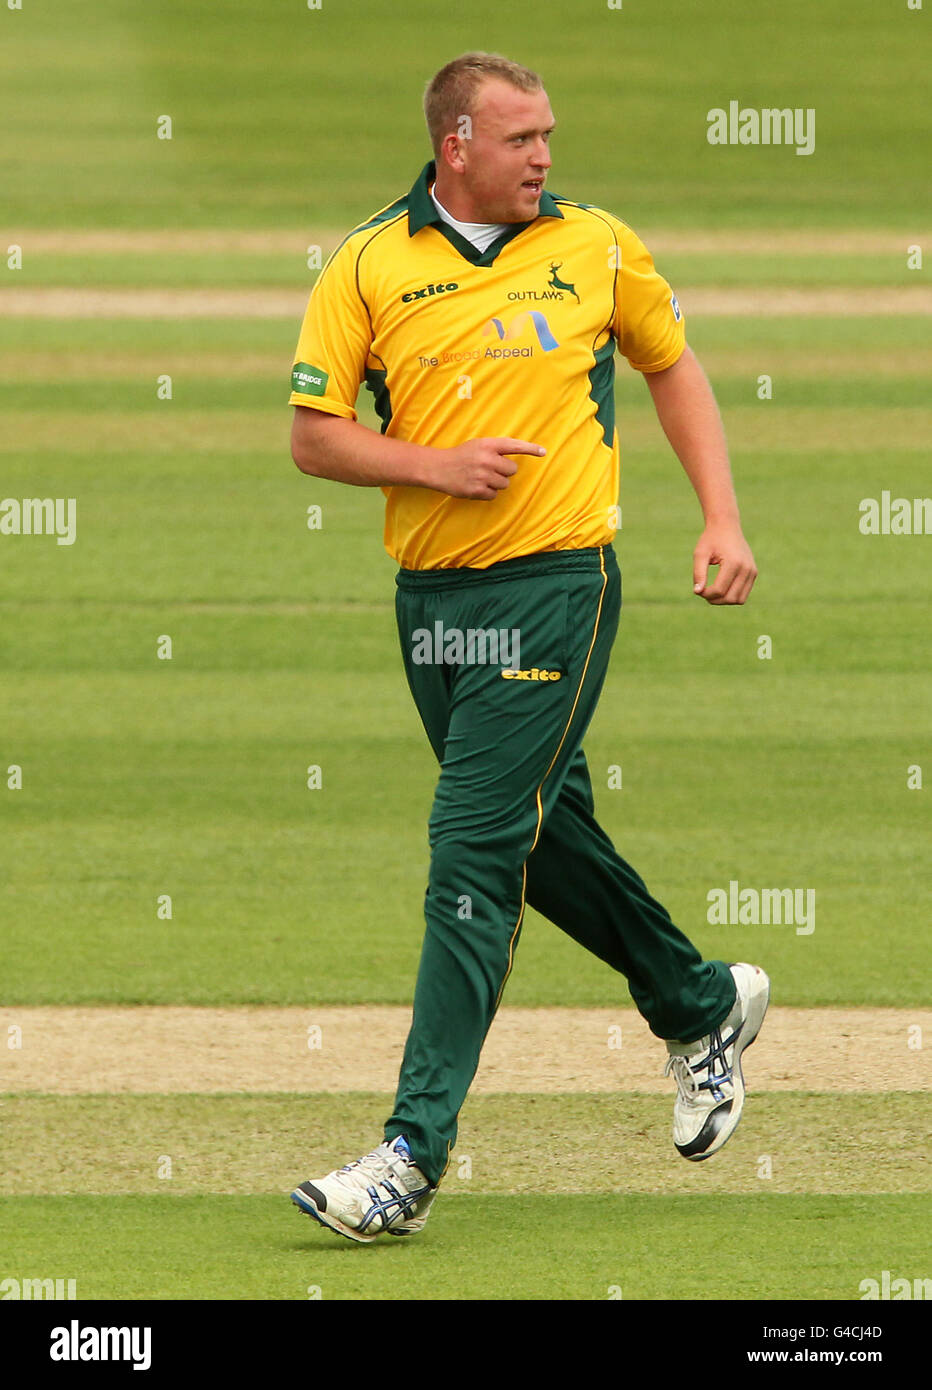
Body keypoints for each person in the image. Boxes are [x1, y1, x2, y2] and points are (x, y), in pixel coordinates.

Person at [287, 52, 769, 1244]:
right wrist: (432, 467)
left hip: (557, 582)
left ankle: (408, 1154)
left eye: (548, 134)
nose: (544, 155)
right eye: (520, 139)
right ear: (455, 143)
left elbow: (670, 364)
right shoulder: (366, 262)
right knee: (538, 830)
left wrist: (720, 515)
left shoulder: (595, 244)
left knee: (471, 836)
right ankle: (698, 1001)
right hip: (431, 600)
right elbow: (313, 436)